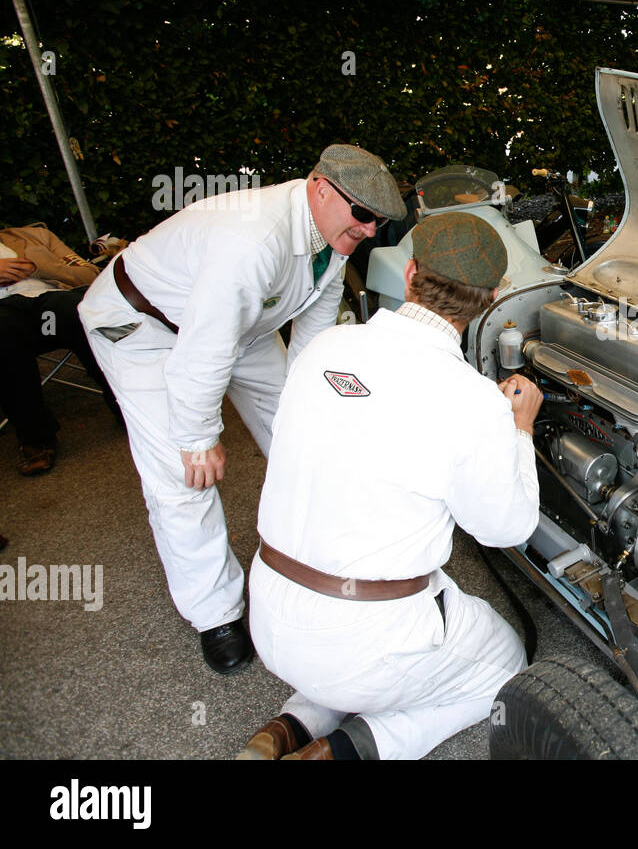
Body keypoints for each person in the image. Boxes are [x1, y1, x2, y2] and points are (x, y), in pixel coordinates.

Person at [78, 144, 405, 674]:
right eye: (364, 215)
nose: (371, 230)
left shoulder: (335, 235)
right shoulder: (252, 239)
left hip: (241, 329)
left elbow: (314, 331)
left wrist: (307, 403)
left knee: (300, 427)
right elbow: (203, 348)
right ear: (320, 187)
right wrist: (199, 434)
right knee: (184, 478)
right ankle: (216, 613)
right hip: (144, 326)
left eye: (379, 220)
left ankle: (324, 542)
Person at [240, 212, 542, 760]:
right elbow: (508, 528)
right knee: (505, 665)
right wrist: (519, 429)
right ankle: (341, 751)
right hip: (363, 639)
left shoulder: (323, 347)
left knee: (363, 632)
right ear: (494, 296)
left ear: (409, 275)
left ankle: (288, 726)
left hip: (266, 610)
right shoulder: (472, 400)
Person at [1, 223, 121, 474]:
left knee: (78, 312)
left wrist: (40, 267)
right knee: (4, 333)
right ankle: (36, 438)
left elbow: (89, 274)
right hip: (7, 319)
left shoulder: (35, 235)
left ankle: (126, 404)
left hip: (48, 310)